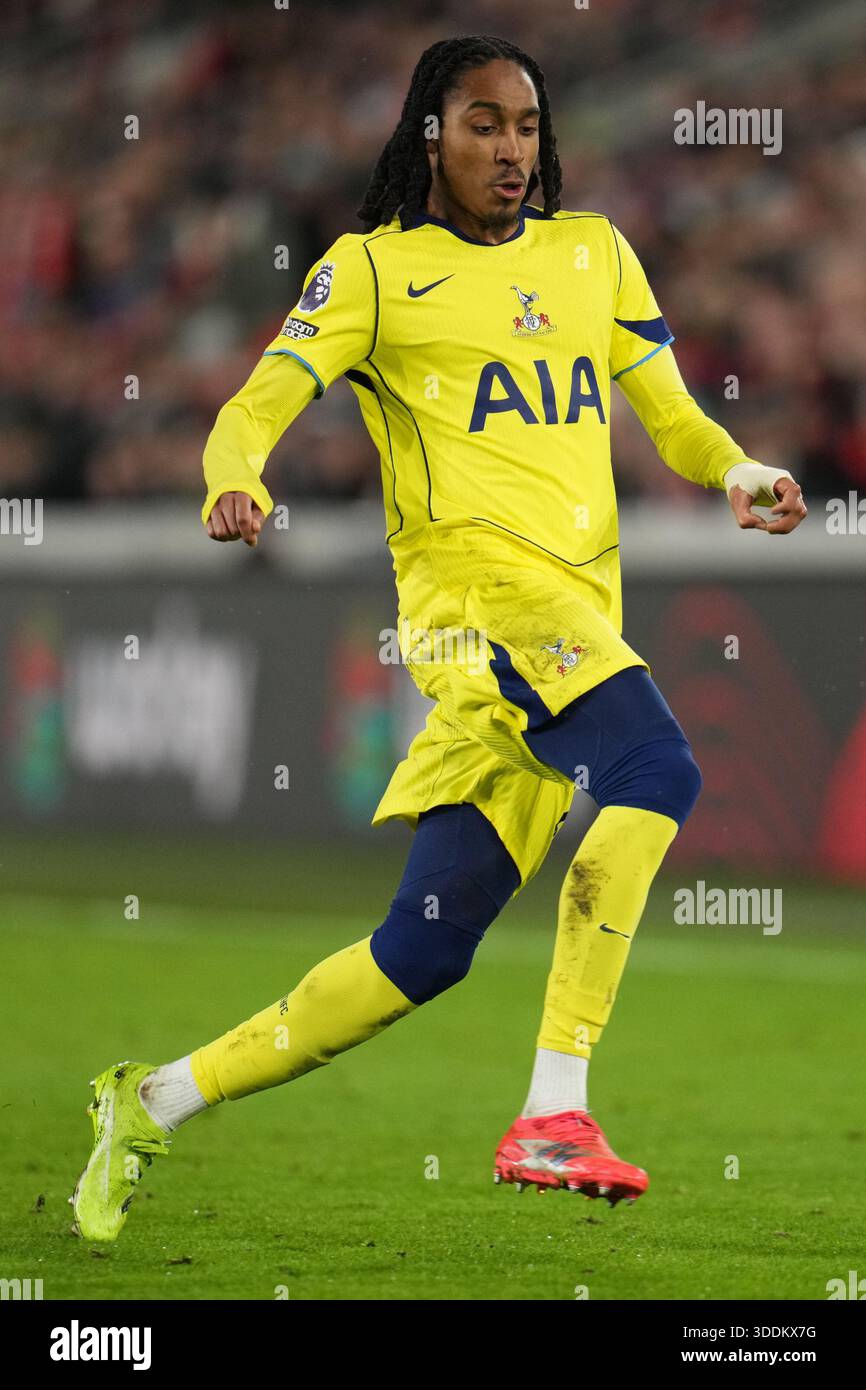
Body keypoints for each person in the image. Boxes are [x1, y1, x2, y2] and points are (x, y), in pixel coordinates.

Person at [71, 34, 806, 1241]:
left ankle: (150, 1097)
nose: (508, 148)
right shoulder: (368, 271)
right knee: (657, 767)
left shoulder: (592, 253)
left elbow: (669, 414)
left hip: (564, 615)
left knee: (421, 951)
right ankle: (554, 1108)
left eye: (523, 125)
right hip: (472, 608)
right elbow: (254, 404)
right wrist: (234, 477)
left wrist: (735, 470)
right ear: (429, 133)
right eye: (480, 124)